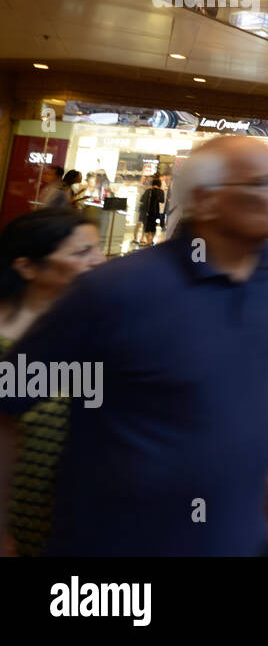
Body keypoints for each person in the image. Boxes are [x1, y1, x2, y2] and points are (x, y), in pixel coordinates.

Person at [1, 136, 268, 554]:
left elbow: (261, 368)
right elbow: (8, 401)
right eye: (265, 183)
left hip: (239, 538)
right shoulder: (115, 291)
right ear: (207, 200)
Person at [0, 209, 104, 555]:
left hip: (70, 516)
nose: (99, 261)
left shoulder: (98, 333)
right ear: (27, 267)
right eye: (82, 253)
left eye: (97, 248)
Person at [136, 175, 166, 246]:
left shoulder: (148, 191)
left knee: (146, 227)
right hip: (156, 212)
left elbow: (142, 200)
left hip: (147, 212)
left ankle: (148, 241)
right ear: (159, 184)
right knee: (153, 227)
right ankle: (150, 241)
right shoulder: (161, 191)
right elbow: (162, 201)